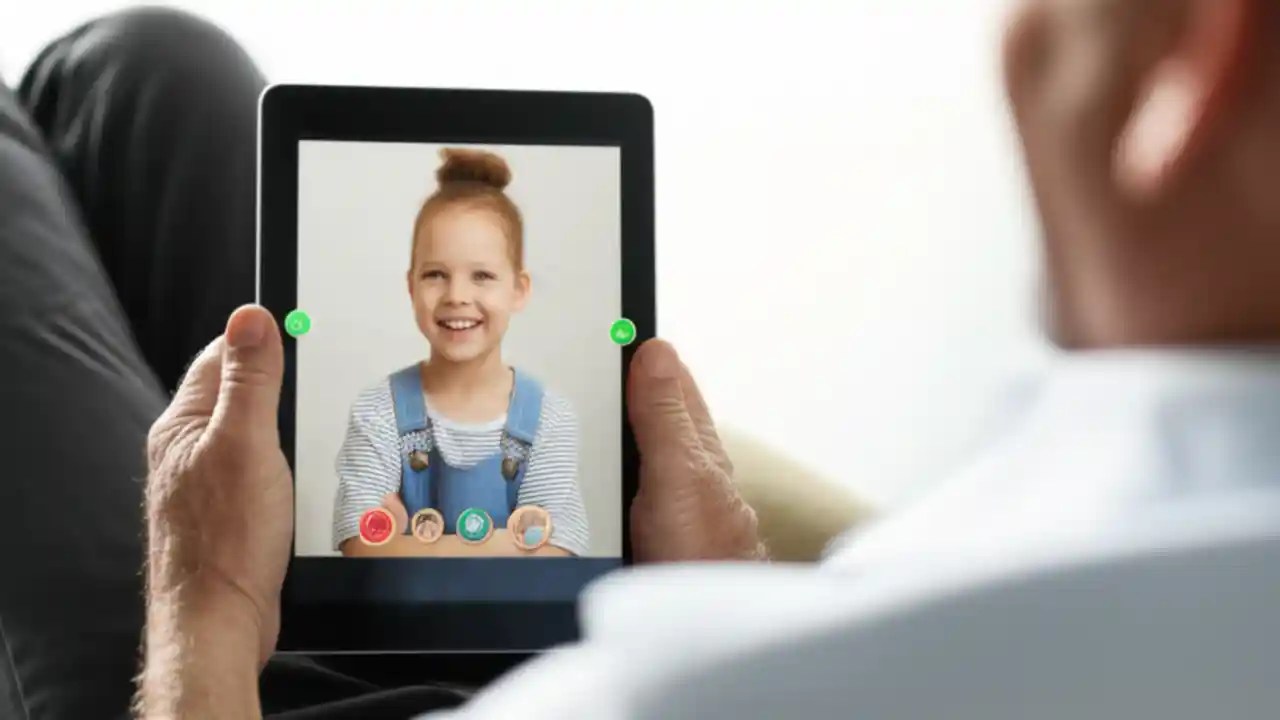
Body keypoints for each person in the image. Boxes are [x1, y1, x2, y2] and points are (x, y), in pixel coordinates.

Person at [3, 0, 1279, 718]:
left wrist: (206, 616)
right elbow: (389, 499)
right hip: (510, 648)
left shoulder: (733, 676)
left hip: (239, 685)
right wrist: (715, 583)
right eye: (431, 278)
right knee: (147, 68)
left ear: (1200, 65)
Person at [332, 147, 589, 558]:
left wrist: (408, 544)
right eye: (435, 275)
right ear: (411, 286)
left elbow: (555, 553)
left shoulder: (550, 418)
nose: (457, 296)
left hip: (518, 623)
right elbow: (360, 547)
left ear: (518, 290)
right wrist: (512, 542)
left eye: (482, 276)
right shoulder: (377, 411)